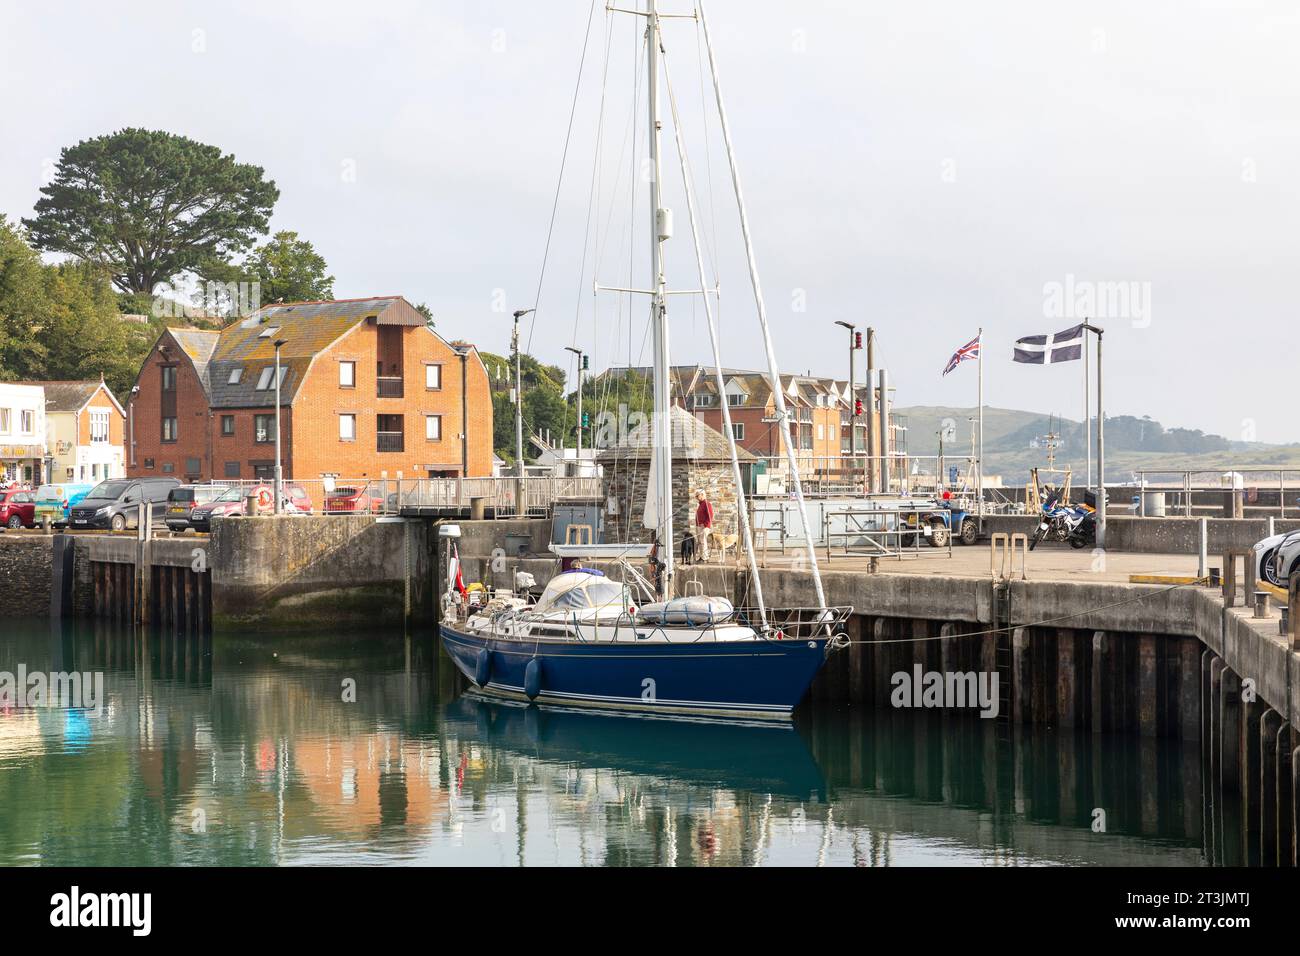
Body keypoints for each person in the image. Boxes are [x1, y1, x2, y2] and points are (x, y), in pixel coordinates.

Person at [694, 489, 714, 561]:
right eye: (696, 496)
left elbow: (710, 515)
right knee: (700, 542)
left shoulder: (706, 503)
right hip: (699, 526)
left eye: (697, 495)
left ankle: (704, 558)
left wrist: (705, 525)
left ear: (702, 495)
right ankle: (702, 556)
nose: (696, 497)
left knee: (703, 541)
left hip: (703, 526)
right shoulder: (701, 504)